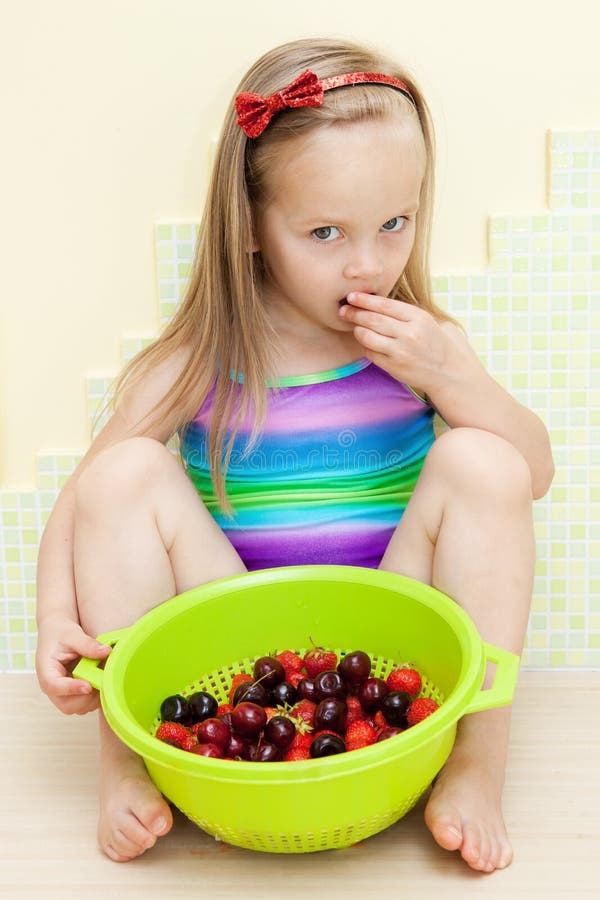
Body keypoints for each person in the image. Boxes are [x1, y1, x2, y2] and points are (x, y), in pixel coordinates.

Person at [35, 37, 554, 871]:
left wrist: (460, 380)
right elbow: (85, 493)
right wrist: (54, 618)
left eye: (396, 223)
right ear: (249, 226)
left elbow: (533, 474)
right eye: (325, 232)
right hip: (243, 640)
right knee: (124, 473)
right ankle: (125, 767)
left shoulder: (422, 348)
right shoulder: (201, 356)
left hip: (393, 630)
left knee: (485, 460)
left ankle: (473, 767)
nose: (371, 263)